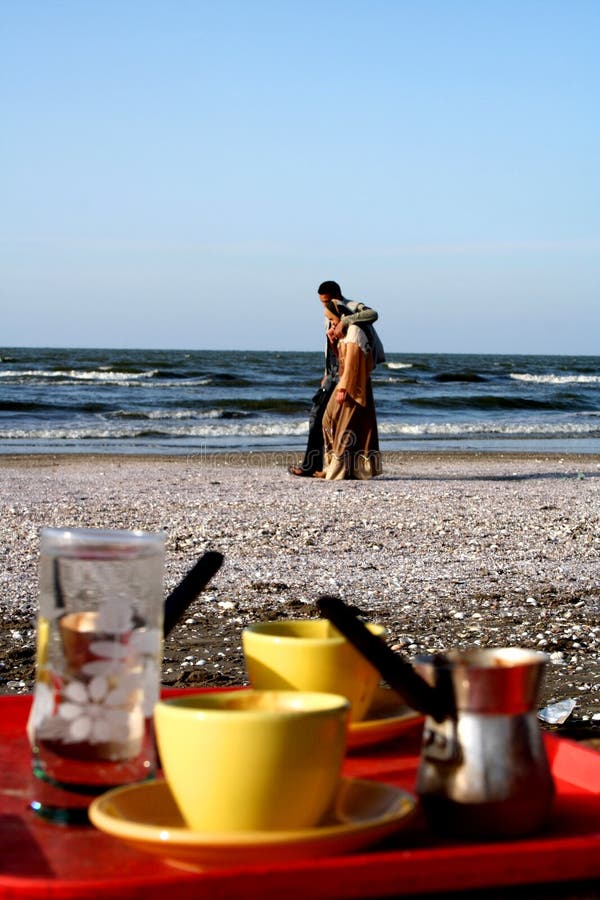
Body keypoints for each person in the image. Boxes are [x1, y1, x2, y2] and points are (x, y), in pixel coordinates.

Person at [288, 281, 379, 477]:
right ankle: (320, 464)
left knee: (331, 419)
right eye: (322, 302)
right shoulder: (329, 315)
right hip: (333, 372)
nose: (324, 305)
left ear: (336, 296)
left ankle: (323, 466)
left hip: (347, 373)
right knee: (321, 417)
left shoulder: (351, 307)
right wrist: (326, 373)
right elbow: (333, 349)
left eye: (327, 301)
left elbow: (373, 315)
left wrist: (346, 321)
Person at [317, 292, 382, 480]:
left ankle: (338, 471)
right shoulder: (345, 333)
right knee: (328, 421)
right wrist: (334, 343)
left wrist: (344, 388)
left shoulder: (354, 332)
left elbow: (352, 365)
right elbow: (342, 361)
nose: (331, 324)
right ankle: (337, 466)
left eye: (332, 320)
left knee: (345, 427)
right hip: (345, 382)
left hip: (354, 385)